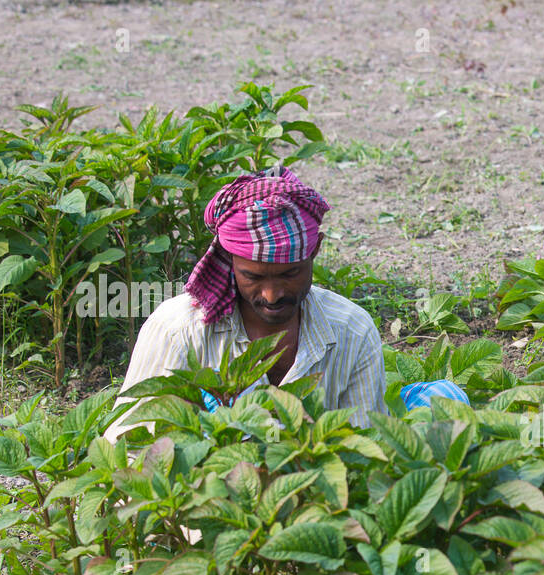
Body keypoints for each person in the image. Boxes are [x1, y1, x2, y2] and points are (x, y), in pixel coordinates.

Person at [107, 166, 387, 441]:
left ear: (315, 250)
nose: (271, 294)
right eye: (253, 276)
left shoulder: (352, 330)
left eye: (290, 273)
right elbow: (128, 445)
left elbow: (368, 445)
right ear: (229, 259)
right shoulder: (178, 330)